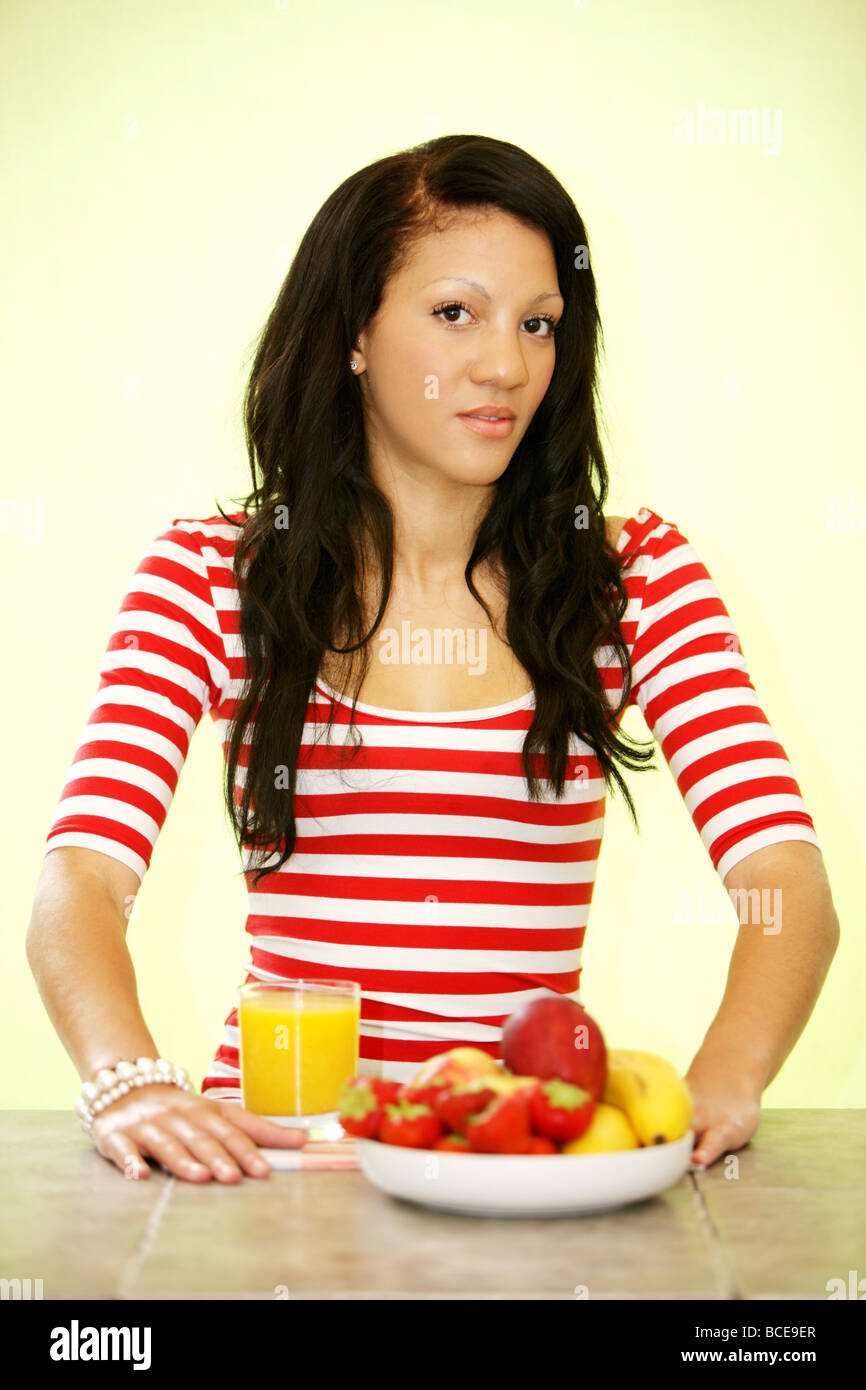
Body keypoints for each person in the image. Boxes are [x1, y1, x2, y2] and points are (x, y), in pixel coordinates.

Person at [28, 134, 840, 1184]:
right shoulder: (209, 574)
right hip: (267, 1162)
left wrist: (725, 1076)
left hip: (517, 1162)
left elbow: (784, 877)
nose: (505, 363)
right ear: (354, 333)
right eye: (454, 312)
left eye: (536, 323)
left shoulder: (633, 578)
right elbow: (81, 876)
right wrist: (124, 1076)